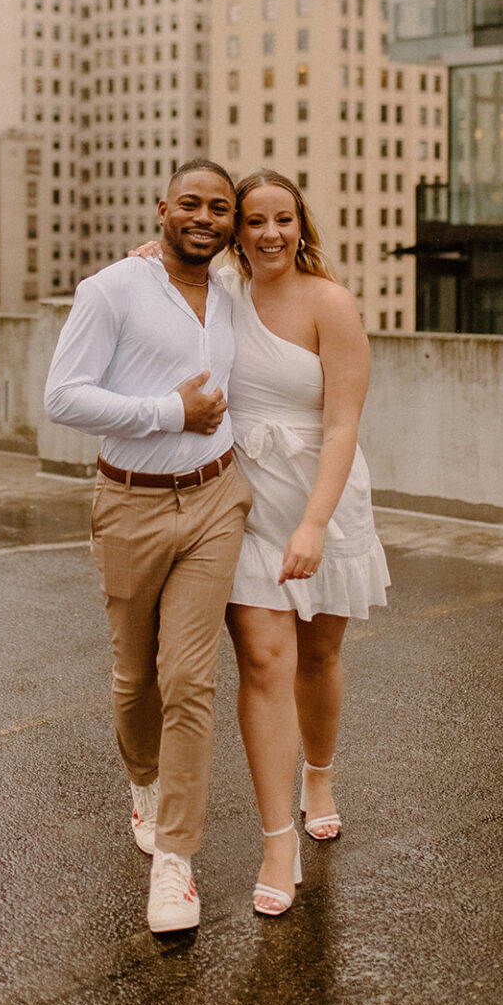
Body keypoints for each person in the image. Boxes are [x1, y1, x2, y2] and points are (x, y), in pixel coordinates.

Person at [132, 170, 389, 917]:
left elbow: (343, 424)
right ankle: (279, 840)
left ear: (301, 225)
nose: (270, 233)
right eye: (255, 221)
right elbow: (165, 293)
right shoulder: (220, 297)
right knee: (264, 664)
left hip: (324, 500)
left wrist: (314, 524)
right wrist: (152, 257)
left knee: (319, 654)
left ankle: (320, 774)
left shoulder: (330, 304)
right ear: (237, 232)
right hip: (245, 503)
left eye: (284, 219)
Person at [43, 159, 252, 935]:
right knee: (136, 677)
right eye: (190, 204)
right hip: (129, 503)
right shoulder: (112, 289)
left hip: (215, 500)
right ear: (162, 209)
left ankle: (176, 859)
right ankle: (144, 781)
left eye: (219, 209)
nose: (205, 218)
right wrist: (170, 412)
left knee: (190, 679)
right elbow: (63, 396)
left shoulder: (232, 292)